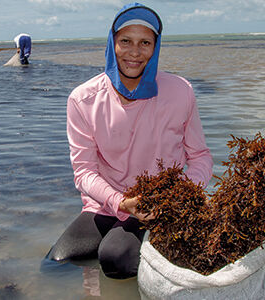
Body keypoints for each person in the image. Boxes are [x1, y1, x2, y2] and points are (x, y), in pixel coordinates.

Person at [45, 2, 213, 280]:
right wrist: (120, 202)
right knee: (59, 262)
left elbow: (200, 157)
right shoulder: (82, 99)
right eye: (126, 41)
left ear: (155, 47)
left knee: (115, 259)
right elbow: (84, 171)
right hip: (106, 203)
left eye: (145, 42)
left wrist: (175, 198)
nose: (135, 52)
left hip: (160, 204)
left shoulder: (181, 91)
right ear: (112, 43)